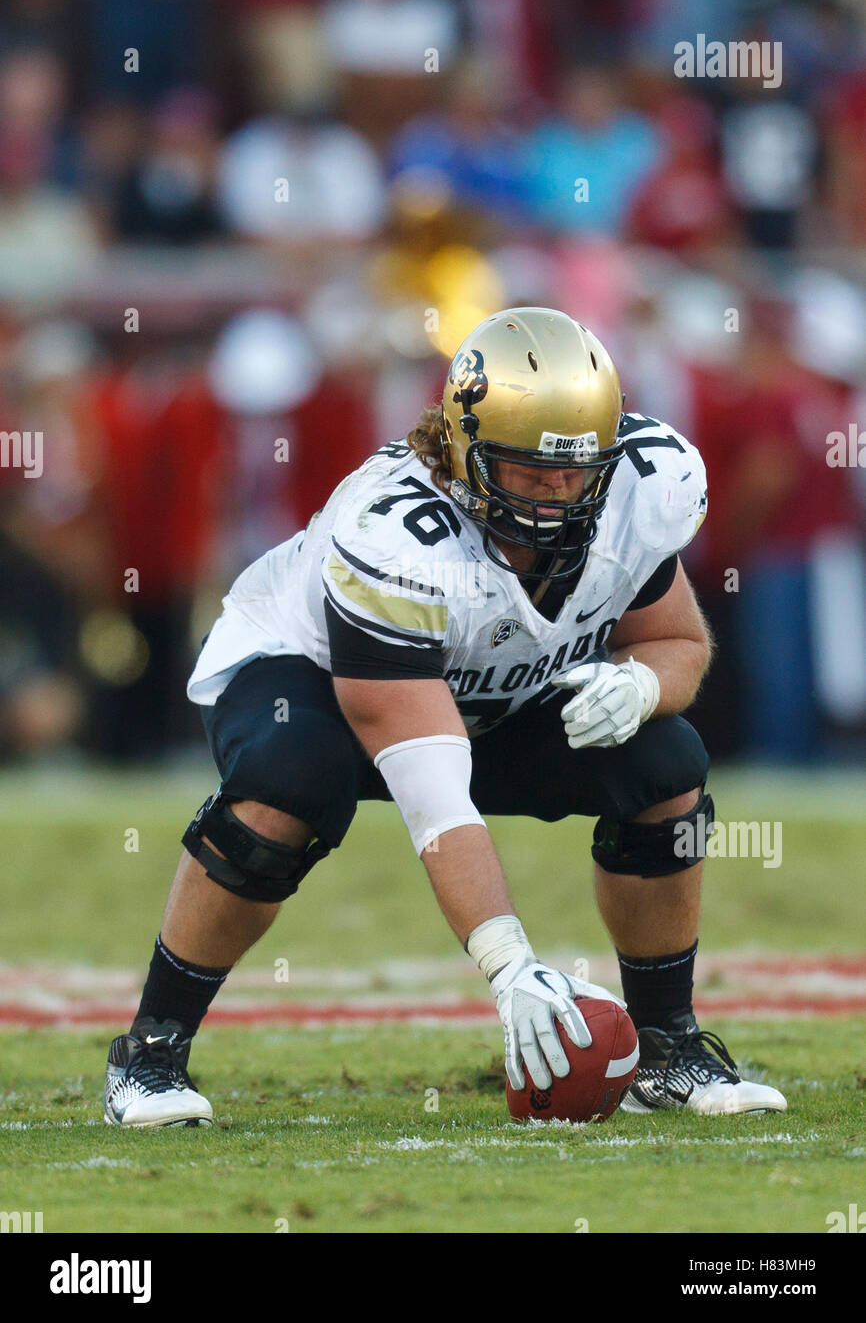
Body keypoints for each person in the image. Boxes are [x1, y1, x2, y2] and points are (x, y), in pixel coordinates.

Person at [103, 307, 786, 1126]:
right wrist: (511, 967)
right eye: (527, 470)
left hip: (493, 691)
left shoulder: (644, 487)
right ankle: (148, 1055)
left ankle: (668, 1050)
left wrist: (640, 686)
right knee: (290, 782)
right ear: (463, 447)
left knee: (665, 758)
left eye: (575, 471)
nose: (556, 494)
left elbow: (675, 637)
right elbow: (435, 797)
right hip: (310, 675)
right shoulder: (396, 539)